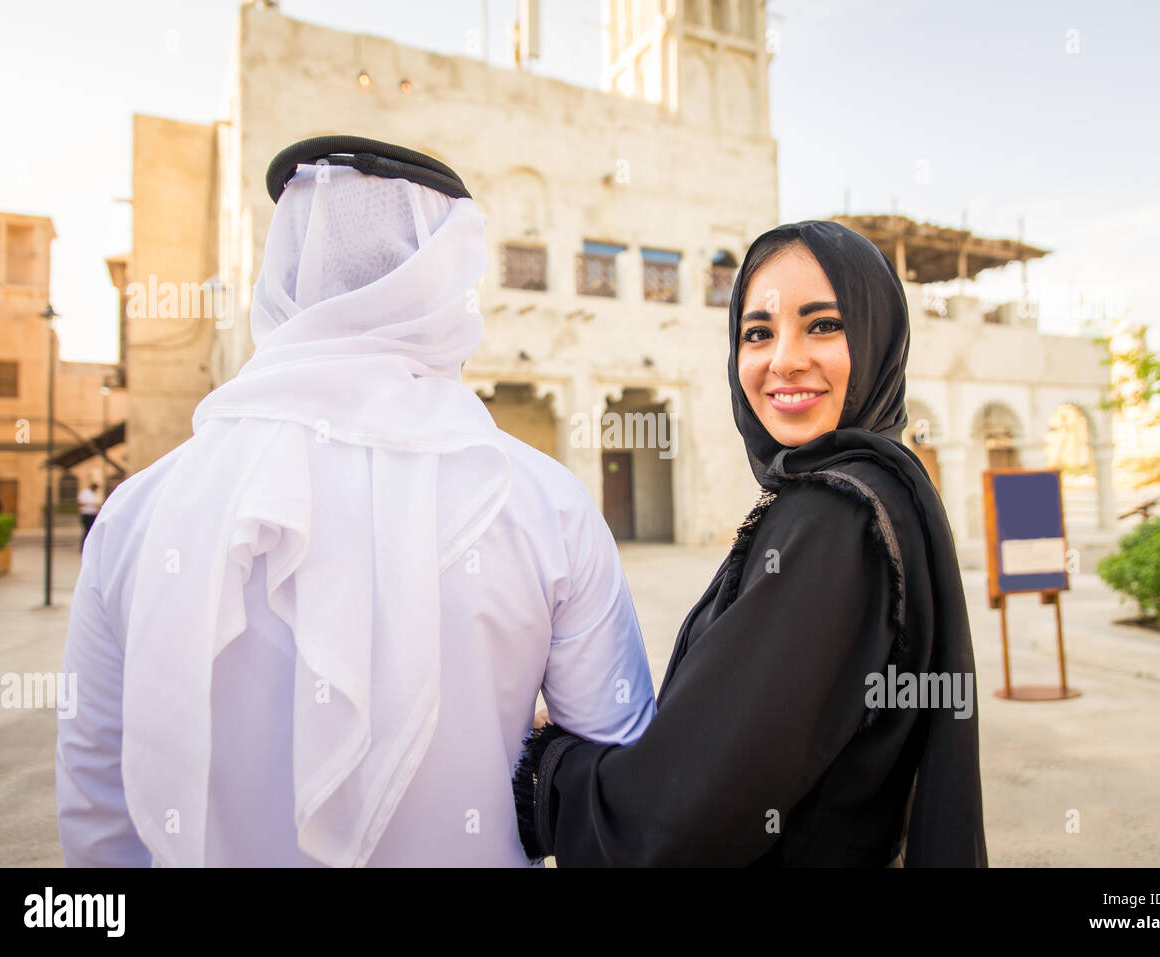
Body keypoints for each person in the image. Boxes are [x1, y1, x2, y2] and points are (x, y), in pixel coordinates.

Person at [56, 137, 655, 867]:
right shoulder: (546, 507)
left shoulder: (137, 515)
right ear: (448, 279)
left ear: (281, 274)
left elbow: (99, 813)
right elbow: (619, 776)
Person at [513, 220, 988, 867]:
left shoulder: (836, 516)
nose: (783, 359)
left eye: (823, 324)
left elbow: (680, 821)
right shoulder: (881, 489)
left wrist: (550, 770)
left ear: (877, 335)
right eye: (757, 332)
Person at [77, 481, 100, 551]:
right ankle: (84, 548)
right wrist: (91, 504)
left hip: (93, 514)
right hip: (86, 514)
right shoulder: (85, 493)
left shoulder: (94, 494)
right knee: (86, 531)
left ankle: (90, 547)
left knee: (92, 532)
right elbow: (80, 503)